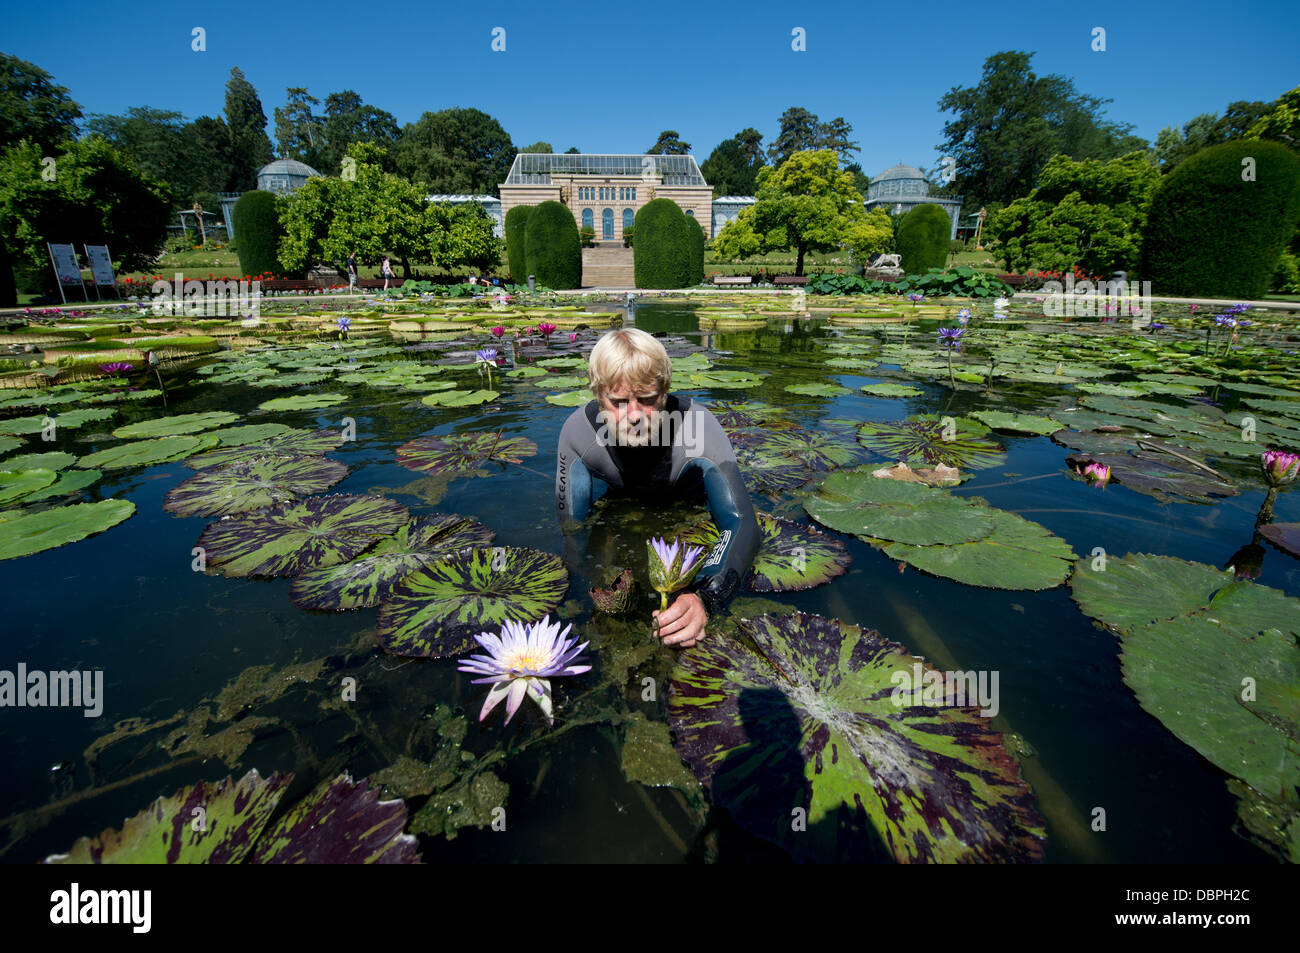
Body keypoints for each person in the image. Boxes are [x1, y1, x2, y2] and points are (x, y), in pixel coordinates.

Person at [555, 328, 759, 648]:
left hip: (687, 506)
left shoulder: (699, 426)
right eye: (619, 401)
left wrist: (708, 597)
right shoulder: (577, 433)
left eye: (648, 399)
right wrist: (582, 593)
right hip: (620, 505)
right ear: (598, 395)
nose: (634, 415)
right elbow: (572, 525)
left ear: (665, 393)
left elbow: (740, 520)